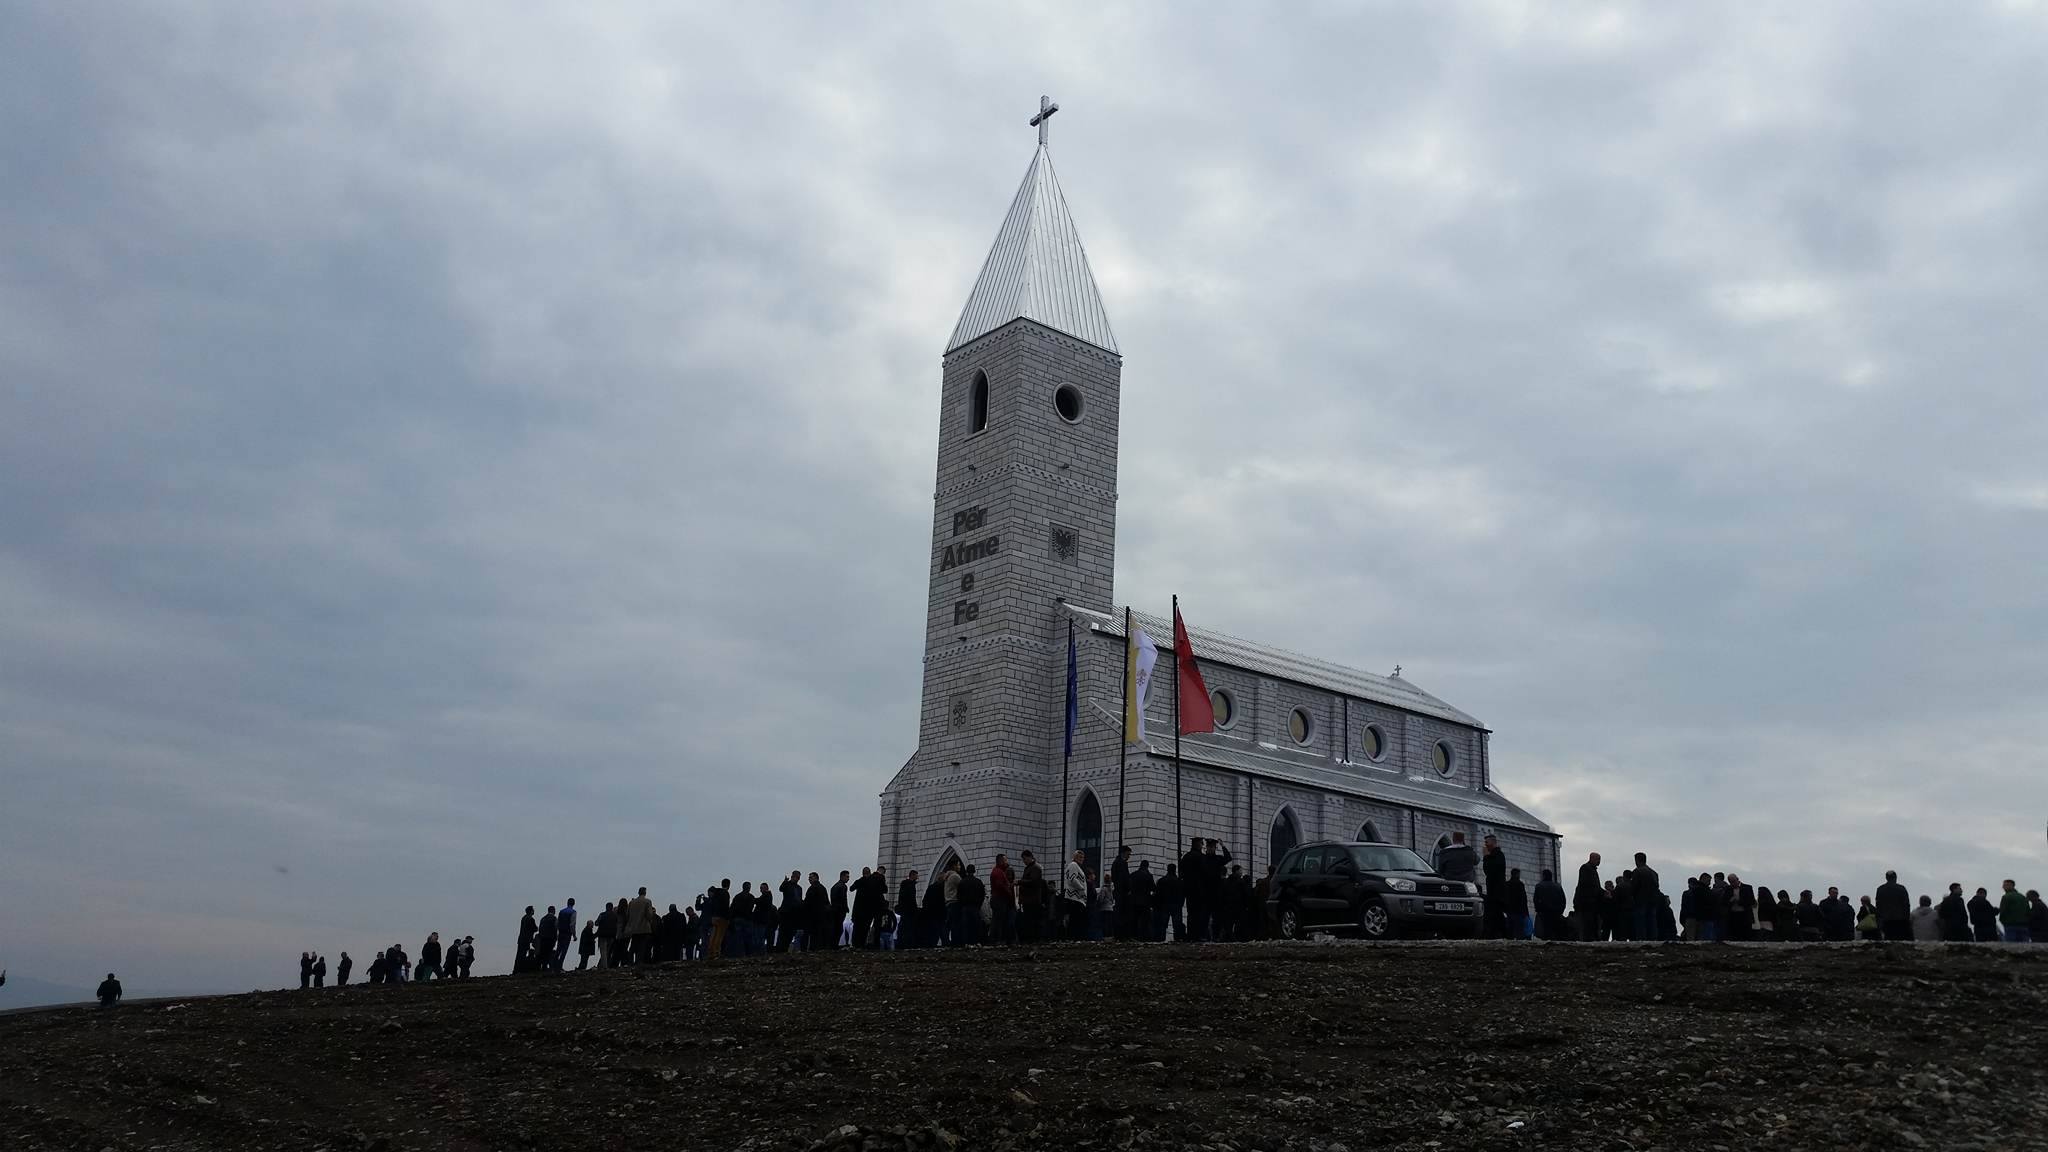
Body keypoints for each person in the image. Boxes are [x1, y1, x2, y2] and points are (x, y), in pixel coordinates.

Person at [1179, 838, 1207, 941]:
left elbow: (1181, 872)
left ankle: (1191, 934)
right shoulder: (1200, 857)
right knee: (1199, 913)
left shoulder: (1186, 857)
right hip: (1199, 889)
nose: (1202, 846)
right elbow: (1205, 872)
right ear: (1197, 844)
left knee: (1191, 913)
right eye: (1201, 844)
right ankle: (1198, 935)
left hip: (1188, 889)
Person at [1480, 836, 1508, 939]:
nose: (1485, 845)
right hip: (1495, 891)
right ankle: (1498, 935)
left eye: (1487, 842)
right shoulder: (1496, 855)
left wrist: (1486, 857)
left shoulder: (1498, 855)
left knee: (1496, 914)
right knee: (1496, 914)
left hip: (1497, 892)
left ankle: (1501, 934)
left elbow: (1488, 870)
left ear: (1492, 843)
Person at [1630, 853, 1661, 943]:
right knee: (1651, 921)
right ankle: (1653, 938)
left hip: (1640, 901)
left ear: (1637, 860)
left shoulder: (1637, 871)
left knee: (1641, 922)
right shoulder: (1654, 873)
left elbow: (1634, 887)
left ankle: (1642, 939)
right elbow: (1657, 886)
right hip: (1652, 901)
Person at [1573, 853, 1603, 941]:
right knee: (1588, 922)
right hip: (1587, 901)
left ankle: (1590, 938)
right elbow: (1591, 885)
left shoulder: (1590, 869)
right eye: (1598, 859)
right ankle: (1588, 938)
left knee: (1590, 922)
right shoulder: (1586, 868)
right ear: (1592, 858)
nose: (1599, 862)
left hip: (1589, 901)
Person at [1874, 871, 1912, 942]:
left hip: (1886, 919)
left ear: (1886, 878)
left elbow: (1878, 906)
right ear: (1895, 878)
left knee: (1888, 939)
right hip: (1900, 919)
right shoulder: (1901, 888)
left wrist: (1879, 920)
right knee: (1900, 940)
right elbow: (1906, 905)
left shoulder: (1880, 889)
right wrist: (1907, 919)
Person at [1018, 851, 1046, 944]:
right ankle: (1032, 939)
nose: (1024, 861)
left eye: (1024, 859)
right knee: (1030, 920)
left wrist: (1020, 882)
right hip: (1029, 899)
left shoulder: (1035, 868)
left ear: (1030, 857)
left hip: (1032, 900)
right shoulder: (1030, 868)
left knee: (1033, 920)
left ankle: (1035, 939)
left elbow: (1033, 882)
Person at [626, 887, 658, 964]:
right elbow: (649, 915)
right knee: (642, 946)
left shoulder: (631, 902)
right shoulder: (647, 901)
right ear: (645, 893)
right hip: (644, 927)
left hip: (634, 928)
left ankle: (630, 961)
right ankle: (639, 962)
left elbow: (628, 915)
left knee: (633, 946)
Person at [1063, 850, 1090, 940]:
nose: (1082, 859)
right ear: (1074, 857)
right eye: (1079, 857)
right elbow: (1072, 879)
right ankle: (1074, 938)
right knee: (1076, 920)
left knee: (1075, 920)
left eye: (1082, 857)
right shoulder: (1073, 865)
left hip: (1076, 897)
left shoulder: (1075, 866)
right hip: (1075, 898)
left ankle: (1074, 937)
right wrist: (1082, 889)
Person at [989, 854, 1016, 946]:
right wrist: (1009, 892)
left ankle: (996, 939)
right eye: (1005, 860)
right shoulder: (998, 872)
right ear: (1000, 861)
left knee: (997, 920)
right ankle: (997, 939)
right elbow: (1001, 886)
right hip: (999, 899)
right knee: (999, 921)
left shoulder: (997, 871)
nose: (1007, 862)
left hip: (997, 899)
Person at [1533, 869, 1567, 940]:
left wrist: (1538, 910)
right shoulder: (1558, 887)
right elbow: (1563, 900)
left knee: (1545, 932)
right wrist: (1560, 911)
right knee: (1555, 932)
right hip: (1556, 913)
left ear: (1544, 876)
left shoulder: (1539, 886)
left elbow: (1536, 900)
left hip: (1544, 913)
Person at [957, 863, 986, 947]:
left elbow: (959, 895)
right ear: (974, 871)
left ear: (966, 871)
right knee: (976, 925)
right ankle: (977, 941)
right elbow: (982, 894)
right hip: (975, 906)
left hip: (965, 906)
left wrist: (962, 904)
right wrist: (979, 905)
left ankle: (967, 942)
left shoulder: (962, 882)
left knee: (966, 925)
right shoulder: (978, 882)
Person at [1110, 846, 1134, 941]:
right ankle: (1123, 935)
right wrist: (1128, 889)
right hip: (1122, 892)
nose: (1129, 857)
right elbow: (1124, 878)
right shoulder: (1122, 863)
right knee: (1123, 914)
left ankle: (1120, 935)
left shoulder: (1116, 862)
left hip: (1119, 891)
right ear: (1123, 853)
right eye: (1128, 854)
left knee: (1120, 914)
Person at [1157, 863, 1185, 943]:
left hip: (1164, 904)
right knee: (1177, 924)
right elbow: (1182, 894)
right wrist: (1181, 904)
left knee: (1163, 924)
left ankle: (1161, 938)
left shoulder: (1162, 881)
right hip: (1176, 904)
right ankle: (1177, 938)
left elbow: (1158, 894)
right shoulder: (1179, 881)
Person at [804, 871, 832, 949]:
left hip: (814, 915)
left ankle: (814, 948)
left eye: (811, 877)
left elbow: (808, 902)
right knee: (820, 933)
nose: (809, 879)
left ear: (816, 878)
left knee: (814, 934)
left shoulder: (813, 888)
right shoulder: (822, 887)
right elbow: (827, 901)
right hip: (822, 915)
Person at [1130, 860, 1157, 940]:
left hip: (1134, 900)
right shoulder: (1148, 876)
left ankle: (1134, 935)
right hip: (1145, 901)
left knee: (1134, 919)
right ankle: (1143, 936)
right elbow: (1153, 888)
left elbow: (1129, 886)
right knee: (1145, 920)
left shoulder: (1133, 875)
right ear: (1147, 866)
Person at [780, 872, 806, 951]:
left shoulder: (799, 888)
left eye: (798, 877)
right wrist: (785, 882)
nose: (797, 879)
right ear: (792, 876)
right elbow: (781, 889)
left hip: (795, 913)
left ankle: (786, 948)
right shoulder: (787, 884)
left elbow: (799, 899)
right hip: (786, 912)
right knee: (784, 932)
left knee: (791, 933)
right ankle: (782, 949)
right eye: (795, 877)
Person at [897, 870, 921, 950]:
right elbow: (911, 899)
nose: (917, 877)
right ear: (912, 875)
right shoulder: (910, 885)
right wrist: (914, 909)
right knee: (908, 927)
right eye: (916, 876)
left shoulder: (905, 884)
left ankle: (902, 943)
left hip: (905, 910)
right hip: (909, 910)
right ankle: (907, 943)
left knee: (904, 927)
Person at [1504, 867, 1530, 940]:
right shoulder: (1520, 884)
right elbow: (1524, 899)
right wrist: (1526, 912)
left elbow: (1505, 897)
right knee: (1519, 931)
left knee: (1510, 929)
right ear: (1517, 874)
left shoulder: (1507, 884)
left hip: (1510, 910)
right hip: (1519, 911)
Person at [830, 871, 852, 951]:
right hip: (839, 911)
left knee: (836, 928)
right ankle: (834, 945)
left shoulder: (835, 886)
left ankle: (833, 945)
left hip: (835, 910)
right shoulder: (842, 886)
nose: (848, 879)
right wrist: (845, 908)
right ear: (842, 876)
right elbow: (843, 899)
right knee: (838, 929)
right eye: (847, 877)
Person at [555, 898, 578, 971]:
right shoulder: (573, 912)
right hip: (567, 933)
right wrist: (574, 935)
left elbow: (557, 923)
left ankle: (554, 965)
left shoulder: (561, 911)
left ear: (567, 903)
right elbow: (572, 924)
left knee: (558, 950)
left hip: (561, 932)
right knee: (564, 951)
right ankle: (559, 966)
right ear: (573, 904)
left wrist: (557, 932)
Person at [516, 906, 537, 974]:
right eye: (533, 910)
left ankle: (516, 969)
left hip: (521, 939)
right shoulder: (530, 919)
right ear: (531, 911)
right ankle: (521, 969)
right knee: (523, 955)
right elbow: (535, 928)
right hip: (526, 940)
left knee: (519, 955)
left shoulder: (523, 918)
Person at [594, 902, 615, 968]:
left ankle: (604, 966)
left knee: (603, 951)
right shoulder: (615, 916)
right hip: (611, 936)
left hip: (602, 935)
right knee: (607, 952)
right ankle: (605, 965)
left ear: (606, 907)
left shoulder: (602, 915)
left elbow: (596, 923)